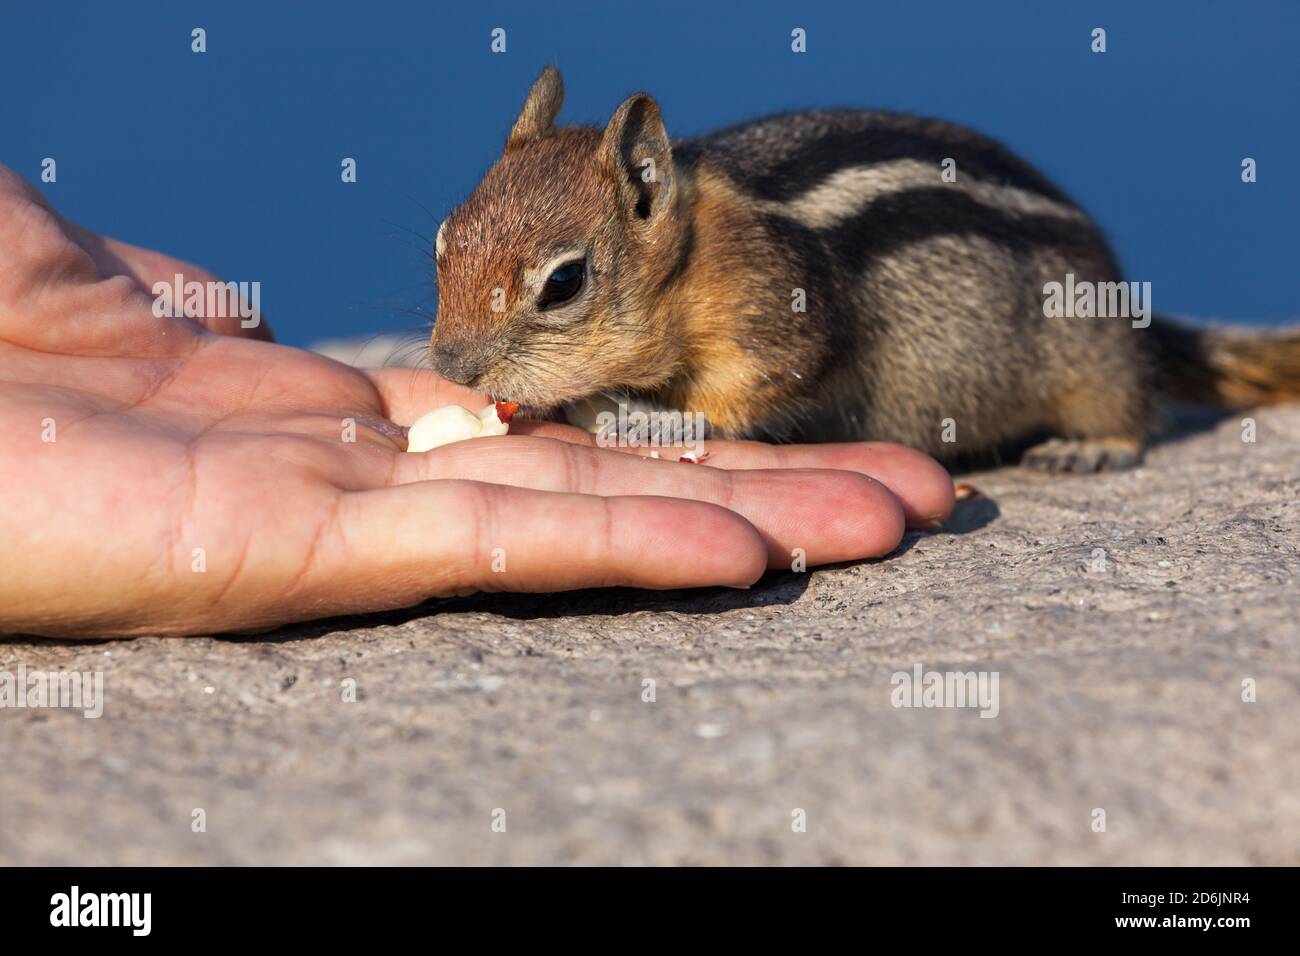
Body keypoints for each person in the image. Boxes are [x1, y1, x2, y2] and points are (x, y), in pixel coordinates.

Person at [0, 165, 953, 638]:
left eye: (560, 291)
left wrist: (665, 420)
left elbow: (793, 361)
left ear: (648, 197)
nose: (458, 359)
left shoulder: (748, 281)